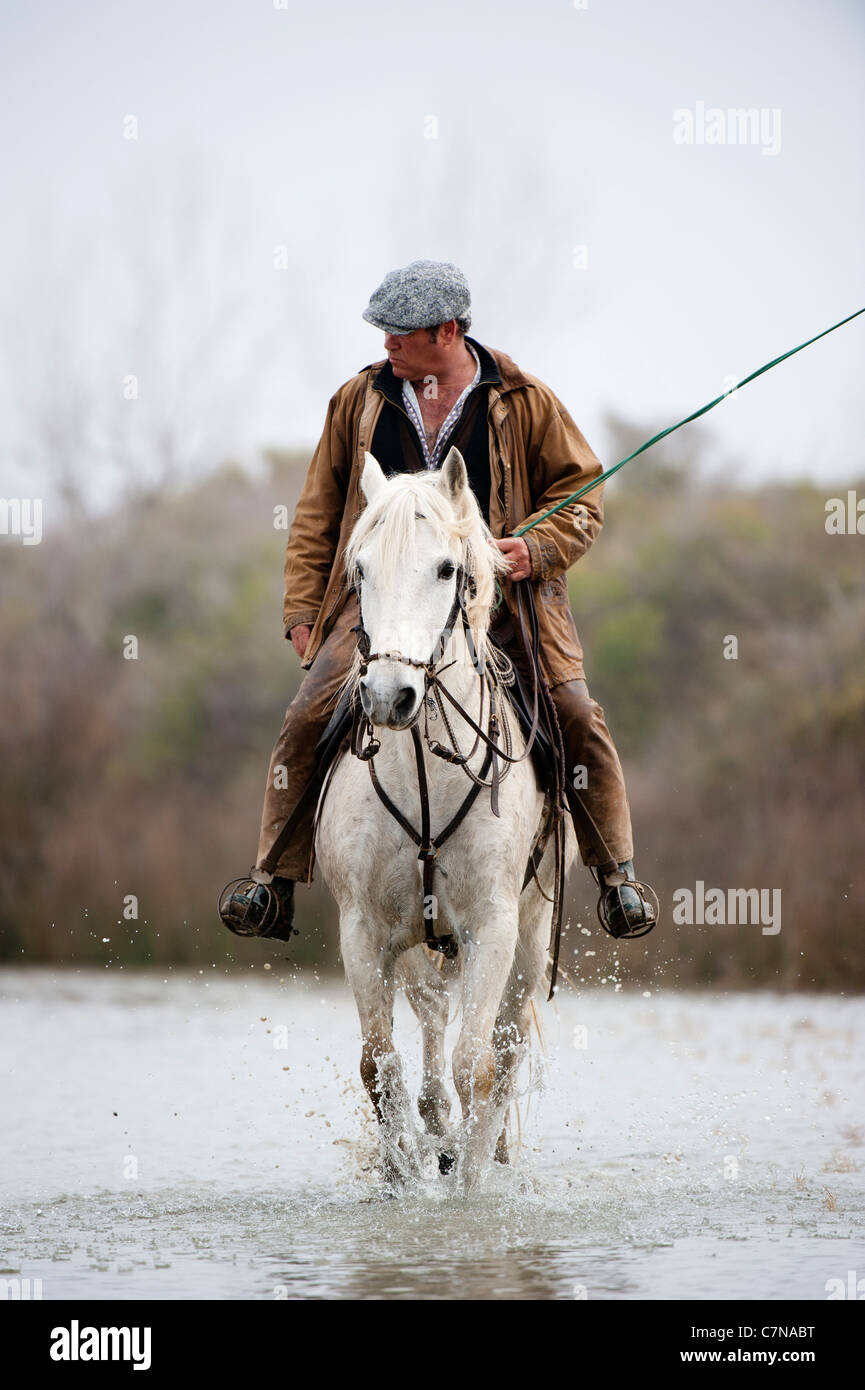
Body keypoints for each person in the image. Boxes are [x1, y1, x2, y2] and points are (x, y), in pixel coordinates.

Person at [222, 260, 656, 943]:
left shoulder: (526, 399)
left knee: (574, 712)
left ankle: (616, 876)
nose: (385, 343)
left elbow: (582, 497)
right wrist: (304, 611)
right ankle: (271, 879)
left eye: (400, 332)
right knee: (307, 713)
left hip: (507, 604)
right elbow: (316, 510)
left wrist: (531, 550)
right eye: (382, 331)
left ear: (448, 330)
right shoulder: (357, 399)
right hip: (380, 604)